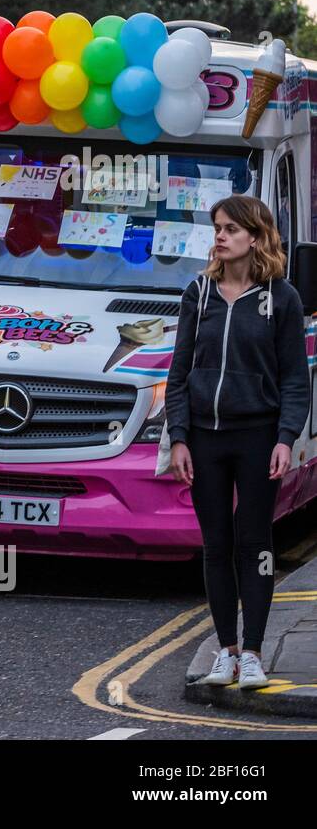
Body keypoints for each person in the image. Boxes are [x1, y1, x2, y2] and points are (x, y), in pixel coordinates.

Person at [165, 195, 309, 690]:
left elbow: (295, 378)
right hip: (205, 438)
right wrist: (179, 436)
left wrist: (286, 438)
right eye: (217, 229)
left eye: (229, 229)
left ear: (255, 235)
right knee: (215, 545)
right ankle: (225, 650)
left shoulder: (281, 298)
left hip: (258, 436)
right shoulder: (198, 294)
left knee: (256, 544)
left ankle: (253, 654)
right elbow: (178, 372)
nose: (220, 237)